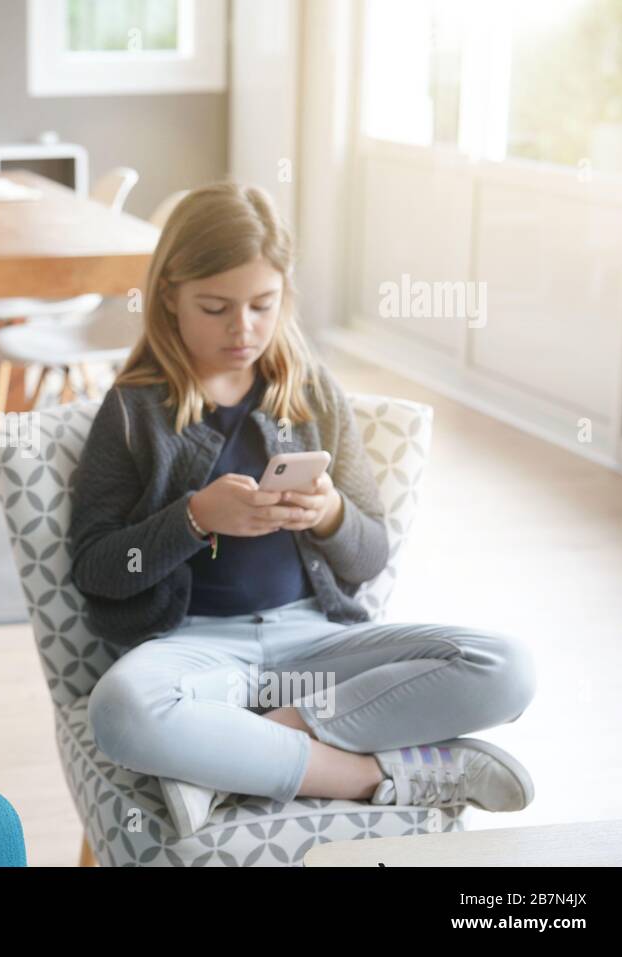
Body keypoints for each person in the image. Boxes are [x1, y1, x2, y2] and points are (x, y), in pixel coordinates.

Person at [70, 182, 536, 816]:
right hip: (199, 651)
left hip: (317, 647)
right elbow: (98, 570)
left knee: (505, 667)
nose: (244, 328)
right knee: (121, 711)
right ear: (168, 297)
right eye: (215, 307)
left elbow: (368, 558)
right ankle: (373, 775)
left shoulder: (312, 393)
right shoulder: (133, 409)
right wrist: (195, 517)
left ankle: (238, 755)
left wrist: (330, 514)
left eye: (263, 305)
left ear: (284, 295)